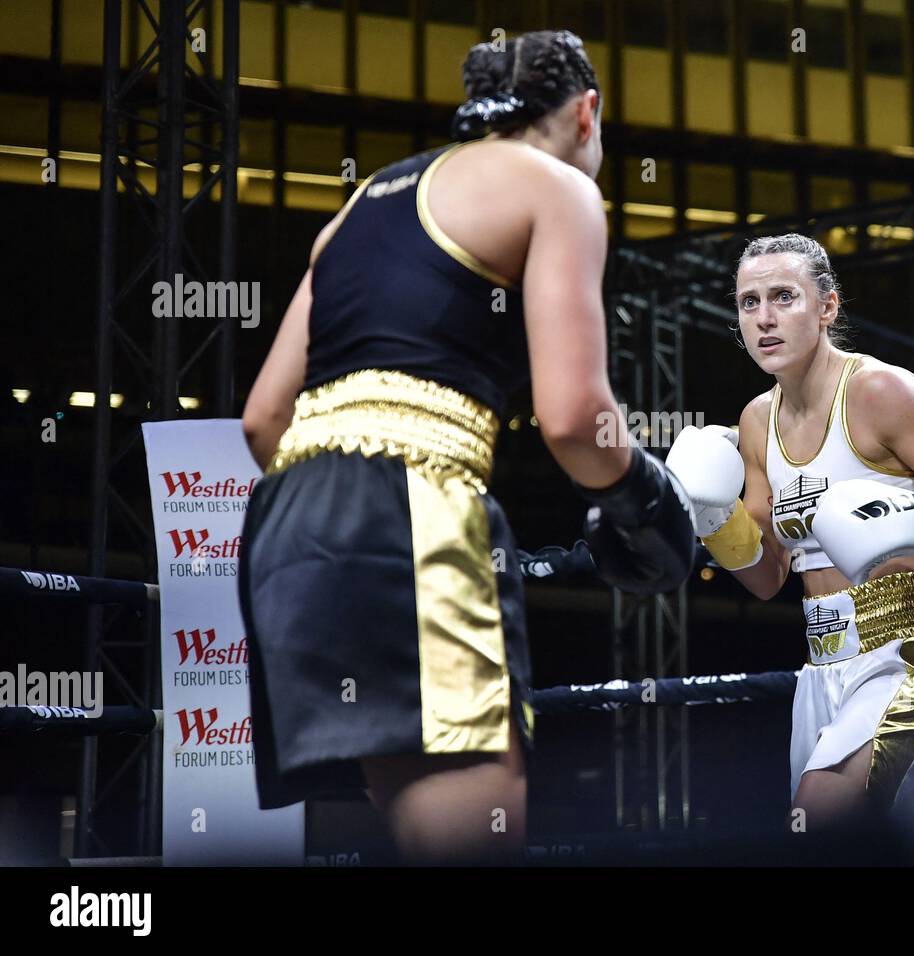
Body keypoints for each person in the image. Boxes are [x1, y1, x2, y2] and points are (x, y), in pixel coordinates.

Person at [238, 29, 694, 864]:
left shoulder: (357, 206)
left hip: (287, 532)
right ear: (587, 112)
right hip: (406, 516)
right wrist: (644, 498)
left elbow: (262, 420)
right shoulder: (555, 188)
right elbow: (573, 419)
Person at [666, 233, 914, 832]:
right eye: (749, 303)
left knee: (820, 821)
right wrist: (713, 520)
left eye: (783, 297)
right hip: (822, 664)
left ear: (827, 306)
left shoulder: (881, 391)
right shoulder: (756, 420)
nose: (765, 318)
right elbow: (768, 575)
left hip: (910, 651)